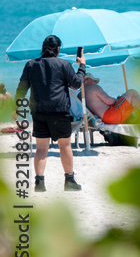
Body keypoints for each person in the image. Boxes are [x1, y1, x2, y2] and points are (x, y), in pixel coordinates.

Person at [14, 35, 86, 192]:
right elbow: (75, 84)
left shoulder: (31, 65)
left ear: (43, 48)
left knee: (41, 149)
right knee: (65, 145)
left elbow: (22, 88)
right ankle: (69, 180)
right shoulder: (64, 64)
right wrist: (82, 67)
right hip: (59, 112)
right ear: (58, 49)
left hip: (39, 112)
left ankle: (39, 183)